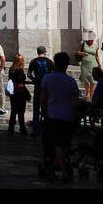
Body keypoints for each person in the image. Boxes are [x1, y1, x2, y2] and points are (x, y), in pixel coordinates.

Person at [38, 51, 80, 182]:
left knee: (53, 146)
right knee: (63, 146)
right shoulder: (71, 81)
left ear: (55, 63)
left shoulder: (47, 78)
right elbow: (75, 102)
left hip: (52, 116)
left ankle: (59, 170)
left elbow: (43, 99)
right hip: (66, 117)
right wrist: (74, 117)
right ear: (67, 65)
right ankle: (61, 169)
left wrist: (44, 113)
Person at [27, 46, 53, 135]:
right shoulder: (50, 62)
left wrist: (34, 79)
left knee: (36, 108)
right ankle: (47, 129)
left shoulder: (33, 61)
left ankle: (36, 129)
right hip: (47, 88)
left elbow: (29, 74)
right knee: (47, 108)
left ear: (37, 52)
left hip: (38, 86)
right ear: (45, 52)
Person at [7, 53, 30, 133]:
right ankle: (22, 128)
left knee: (13, 111)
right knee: (21, 112)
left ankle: (11, 128)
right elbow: (21, 82)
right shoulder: (19, 70)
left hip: (13, 93)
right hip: (20, 93)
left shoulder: (11, 69)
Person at [78, 33, 99, 98]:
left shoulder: (96, 45)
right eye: (90, 39)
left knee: (93, 79)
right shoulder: (83, 43)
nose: (91, 40)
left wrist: (99, 65)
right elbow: (78, 52)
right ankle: (87, 92)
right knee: (86, 78)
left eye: (92, 39)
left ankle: (92, 93)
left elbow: (97, 56)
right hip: (85, 64)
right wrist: (83, 53)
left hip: (93, 64)